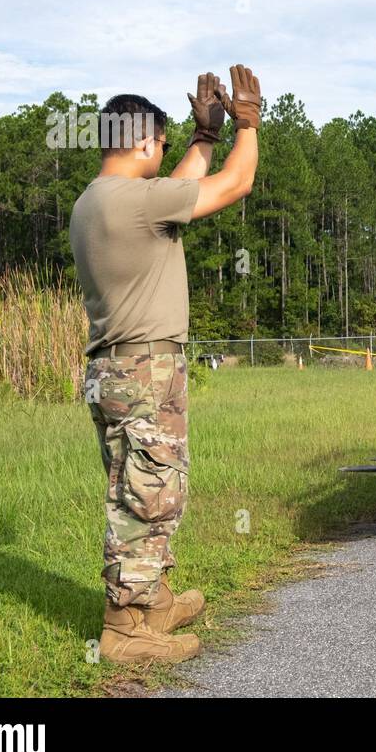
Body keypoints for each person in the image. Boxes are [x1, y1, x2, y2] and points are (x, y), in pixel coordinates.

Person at [70, 66, 261, 663]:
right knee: (147, 495)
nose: (163, 151)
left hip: (120, 371)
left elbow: (179, 190)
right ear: (144, 142)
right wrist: (247, 126)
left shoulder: (100, 200)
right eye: (162, 142)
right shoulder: (133, 201)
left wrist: (202, 140)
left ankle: (151, 601)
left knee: (145, 487)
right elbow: (234, 185)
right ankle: (126, 629)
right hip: (144, 369)